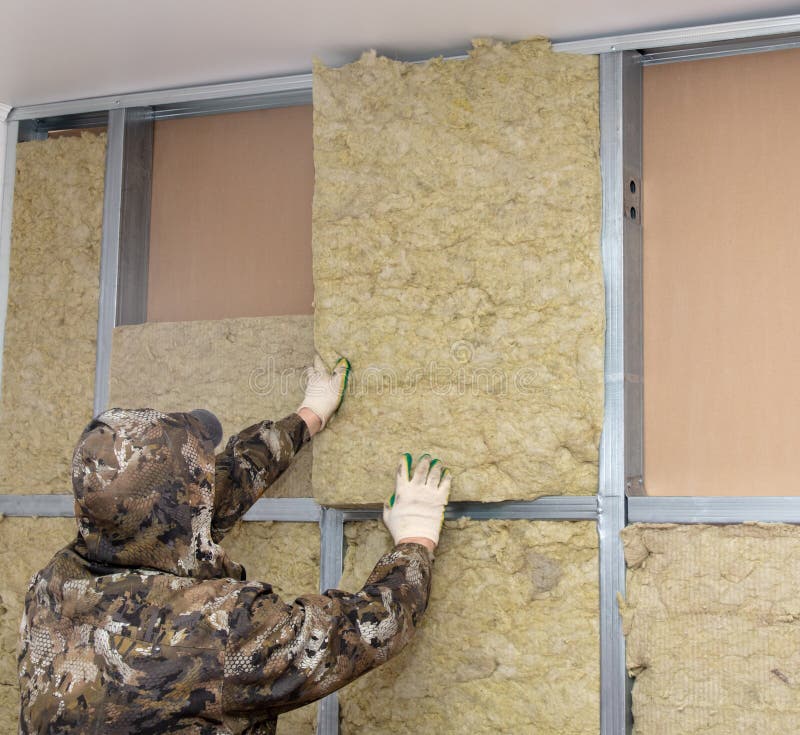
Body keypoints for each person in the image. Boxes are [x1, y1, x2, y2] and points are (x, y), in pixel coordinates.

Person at [18, 357, 451, 734]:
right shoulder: (218, 630)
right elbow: (365, 631)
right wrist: (415, 539)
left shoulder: (52, 586)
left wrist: (306, 418)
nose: (207, 482)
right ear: (182, 508)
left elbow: (212, 492)